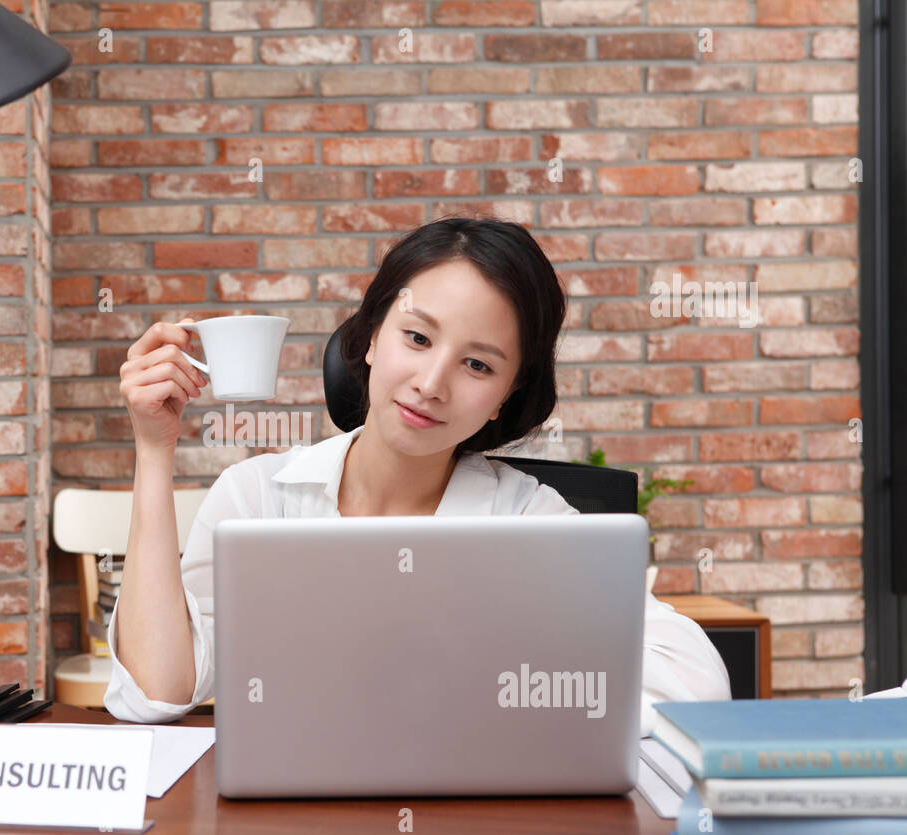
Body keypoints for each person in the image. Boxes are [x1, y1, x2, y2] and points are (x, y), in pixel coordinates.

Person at [105, 216, 731, 733]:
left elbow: (694, 682)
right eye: (417, 337)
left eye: (479, 366)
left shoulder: (526, 520)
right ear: (372, 335)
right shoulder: (256, 497)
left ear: (507, 396)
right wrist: (154, 452)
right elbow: (157, 694)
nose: (432, 385)